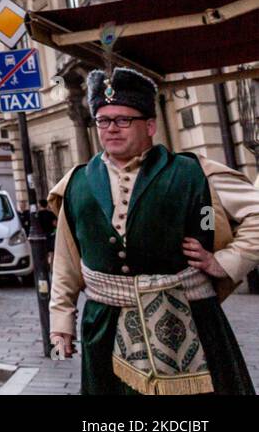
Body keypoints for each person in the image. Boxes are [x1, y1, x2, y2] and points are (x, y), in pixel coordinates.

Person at [48, 67, 259, 394]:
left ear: (150, 125)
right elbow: (66, 261)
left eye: (123, 120)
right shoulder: (76, 183)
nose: (111, 129)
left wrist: (229, 261)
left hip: (190, 319)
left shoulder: (194, 172)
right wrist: (61, 325)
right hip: (106, 323)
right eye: (103, 120)